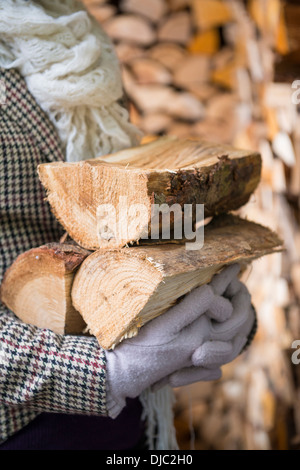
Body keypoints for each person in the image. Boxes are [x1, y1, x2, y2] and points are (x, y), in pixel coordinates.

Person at [0, 0, 256, 450]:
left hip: (129, 406)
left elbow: (128, 215)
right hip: (25, 423)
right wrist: (107, 372)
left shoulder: (70, 29)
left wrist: (210, 283)